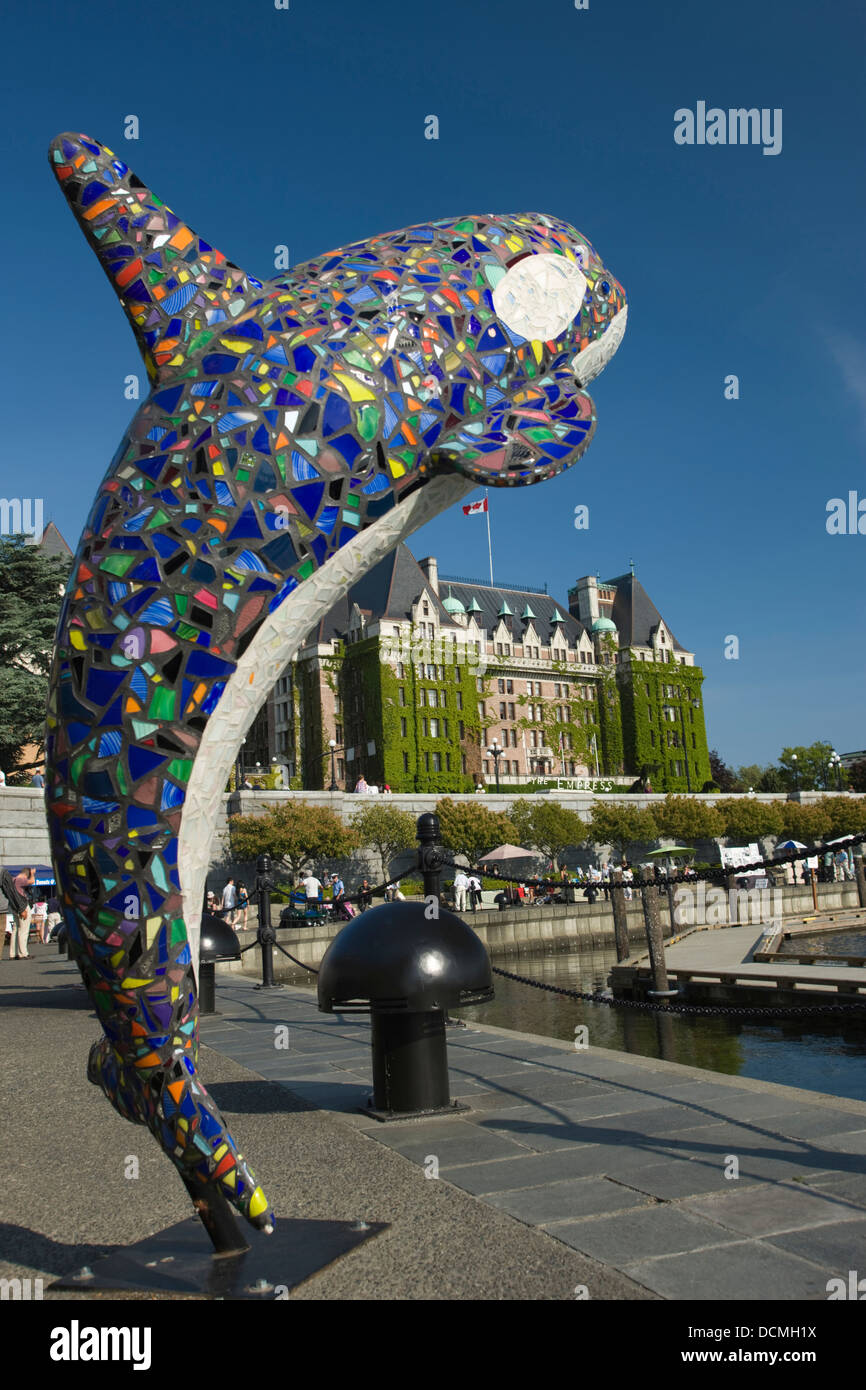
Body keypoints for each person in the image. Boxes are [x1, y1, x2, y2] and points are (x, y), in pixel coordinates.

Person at [7, 867, 36, 958]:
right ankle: (23, 953)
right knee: (24, 929)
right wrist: (32, 874)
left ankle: (13, 953)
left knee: (16, 929)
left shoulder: (12, 880)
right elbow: (32, 881)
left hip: (13, 906)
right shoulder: (21, 879)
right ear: (26, 874)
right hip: (22, 905)